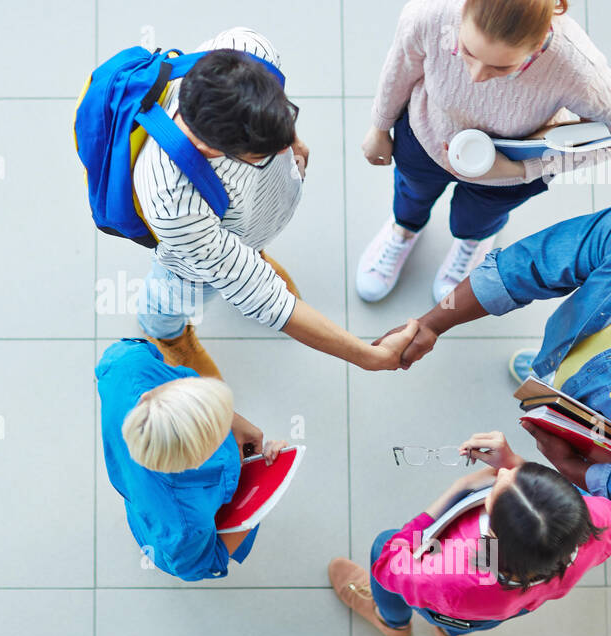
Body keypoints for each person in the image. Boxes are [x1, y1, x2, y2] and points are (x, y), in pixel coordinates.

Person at [373, 202, 611, 521]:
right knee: (560, 377)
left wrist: (573, 468)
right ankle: (563, 387)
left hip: (585, 465)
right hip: (577, 382)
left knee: (549, 518)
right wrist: (430, 325)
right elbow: (523, 268)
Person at [356, 0, 611, 304]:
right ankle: (403, 232)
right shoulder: (431, 12)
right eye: (467, 53)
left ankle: (471, 244)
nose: (475, 76)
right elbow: (401, 66)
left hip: (505, 167)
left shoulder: (576, 68)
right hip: (426, 137)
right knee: (411, 196)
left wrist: (525, 168)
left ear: (538, 46)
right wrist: (379, 127)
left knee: (474, 220)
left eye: (501, 68)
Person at [134, 26, 418, 379]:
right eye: (266, 153)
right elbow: (265, 296)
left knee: (241, 245)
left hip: (246, 224)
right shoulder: (175, 202)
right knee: (173, 300)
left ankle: (249, 251)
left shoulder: (245, 47)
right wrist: (368, 356)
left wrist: (289, 135)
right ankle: (169, 336)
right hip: (189, 268)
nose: (286, 150)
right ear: (211, 150)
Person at [329, 432, 611, 636]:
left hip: (451, 595)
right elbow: (539, 510)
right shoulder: (600, 520)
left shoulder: (450, 574)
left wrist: (459, 488)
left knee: (383, 543)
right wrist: (513, 461)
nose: (503, 475)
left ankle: (391, 621)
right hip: (502, 607)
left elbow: (390, 562)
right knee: (465, 621)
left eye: (500, 490)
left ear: (495, 529)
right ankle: (448, 634)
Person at [95, 337, 287, 581]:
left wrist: (234, 421)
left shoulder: (127, 365)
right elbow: (205, 563)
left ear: (150, 396)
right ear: (198, 460)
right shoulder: (185, 526)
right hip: (167, 531)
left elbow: (135, 350)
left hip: (143, 494)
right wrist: (257, 504)